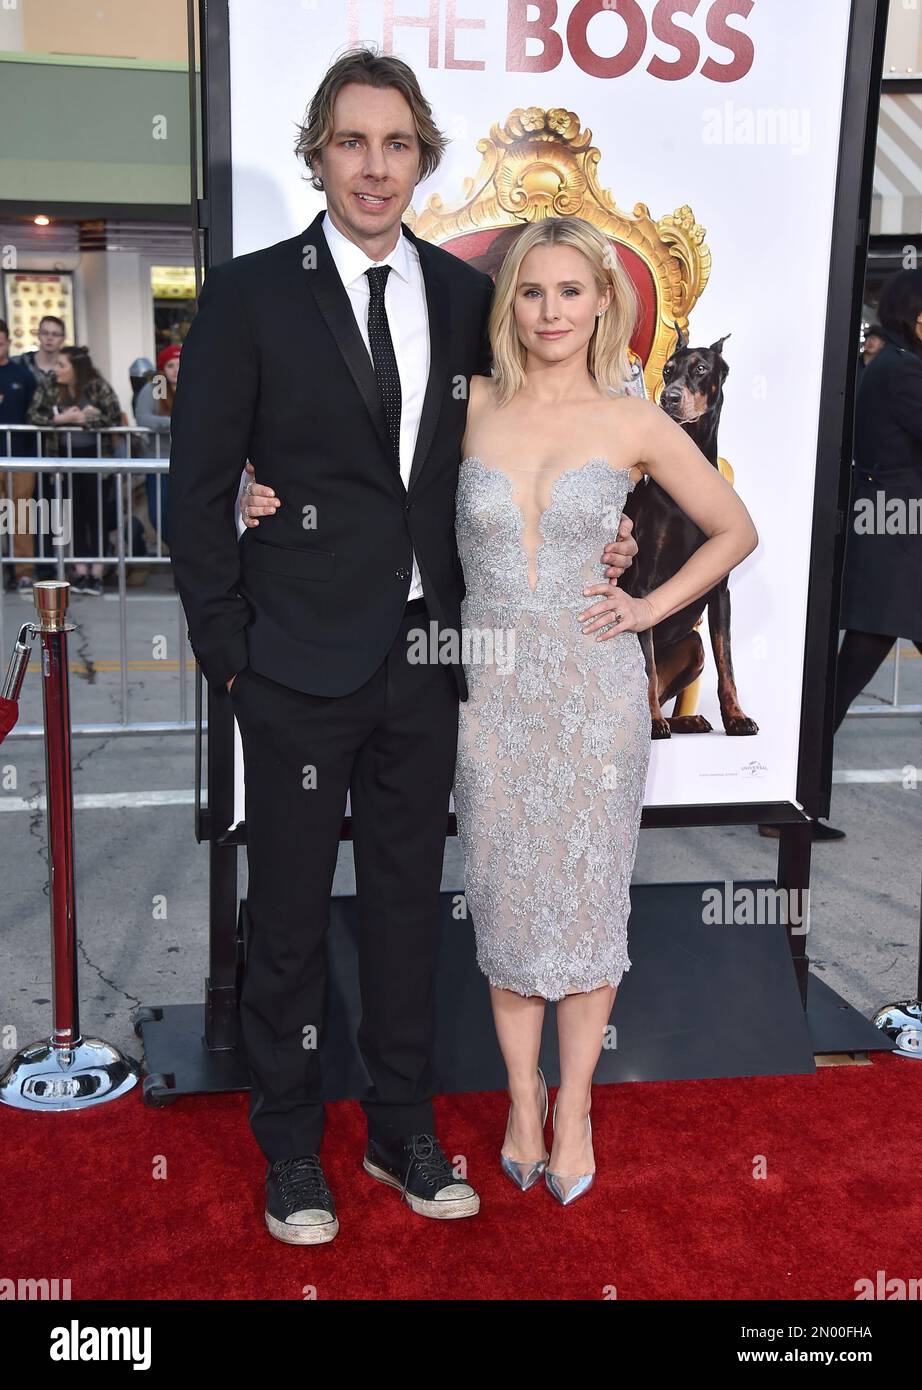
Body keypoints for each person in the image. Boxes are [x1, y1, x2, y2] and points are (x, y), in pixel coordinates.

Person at [168, 46, 641, 1245]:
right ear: (318, 154)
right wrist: (231, 656)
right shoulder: (250, 295)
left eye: (395, 144)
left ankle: (398, 1126)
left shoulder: (457, 293)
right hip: (290, 664)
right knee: (283, 918)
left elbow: (523, 440)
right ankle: (288, 1150)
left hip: (431, 659)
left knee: (403, 908)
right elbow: (196, 489)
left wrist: (604, 534)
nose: (373, 166)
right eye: (350, 142)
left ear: (422, 157)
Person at [242, 211, 758, 1206]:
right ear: (506, 305)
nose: (550, 311)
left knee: (590, 909)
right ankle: (522, 1102)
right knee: (513, 907)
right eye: (531, 292)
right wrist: (253, 492)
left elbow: (733, 528)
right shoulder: (461, 406)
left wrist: (644, 601)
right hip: (483, 696)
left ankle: (577, 1110)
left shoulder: (634, 419)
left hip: (595, 693)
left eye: (570, 291)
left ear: (603, 301)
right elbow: (351, 474)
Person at [837, 271, 922, 730]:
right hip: (896, 542)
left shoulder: (892, 363)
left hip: (895, 541)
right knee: (845, 680)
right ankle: (789, 773)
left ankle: (795, 766)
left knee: (846, 678)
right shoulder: (903, 369)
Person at [27, 345, 122, 595]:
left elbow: (114, 416)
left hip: (97, 460)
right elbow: (34, 415)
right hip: (63, 459)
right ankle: (80, 572)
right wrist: (62, 419)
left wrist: (86, 418)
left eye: (61, 365)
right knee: (74, 514)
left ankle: (97, 574)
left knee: (97, 514)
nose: (56, 370)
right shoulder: (49, 386)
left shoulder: (97, 386)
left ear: (76, 369)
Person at [0, 317, 38, 595]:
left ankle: (24, 572)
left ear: (8, 343)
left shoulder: (23, 376)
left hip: (21, 457)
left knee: (21, 516)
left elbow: (35, 414)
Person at [134, 344, 179, 551]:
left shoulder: (195, 383)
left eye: (180, 364)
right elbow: (144, 417)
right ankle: (180, 551)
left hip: (190, 463)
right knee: (159, 514)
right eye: (170, 365)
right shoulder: (158, 386)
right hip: (160, 461)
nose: (176, 369)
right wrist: (176, 422)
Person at [14, 314, 66, 387]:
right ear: (38, 335)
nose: (49, 338)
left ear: (63, 338)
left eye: (55, 334)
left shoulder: (69, 367)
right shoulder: (19, 363)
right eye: (45, 333)